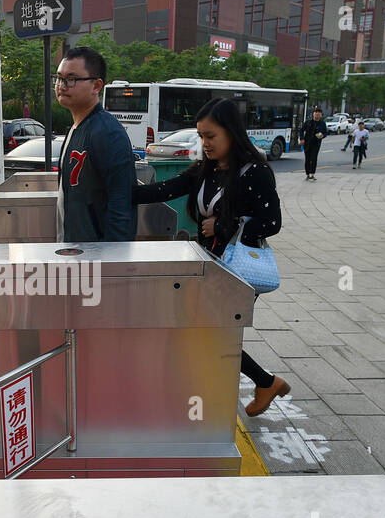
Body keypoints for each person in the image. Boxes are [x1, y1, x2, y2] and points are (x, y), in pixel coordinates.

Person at [133, 98, 289, 416]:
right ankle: (261, 384)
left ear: (231, 132)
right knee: (209, 332)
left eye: (211, 136)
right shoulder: (207, 169)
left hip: (237, 267)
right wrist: (120, 189)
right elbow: (165, 189)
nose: (205, 143)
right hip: (208, 262)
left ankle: (222, 396)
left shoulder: (254, 171)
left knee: (212, 333)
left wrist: (222, 224)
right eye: (201, 136)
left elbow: (272, 223)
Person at [53, 45, 137, 241]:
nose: (61, 85)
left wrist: (113, 262)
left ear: (96, 86)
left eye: (71, 79)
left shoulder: (107, 132)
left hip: (99, 260)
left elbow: (121, 204)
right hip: (76, 254)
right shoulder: (77, 128)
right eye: (58, 78)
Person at [299, 107, 326, 181]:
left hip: (316, 143)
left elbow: (325, 133)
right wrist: (302, 139)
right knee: (307, 158)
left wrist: (322, 136)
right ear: (313, 114)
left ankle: (312, 174)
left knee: (314, 158)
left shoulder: (322, 123)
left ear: (321, 115)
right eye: (316, 112)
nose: (317, 114)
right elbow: (301, 130)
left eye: (319, 113)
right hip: (307, 143)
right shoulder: (308, 122)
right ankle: (308, 174)